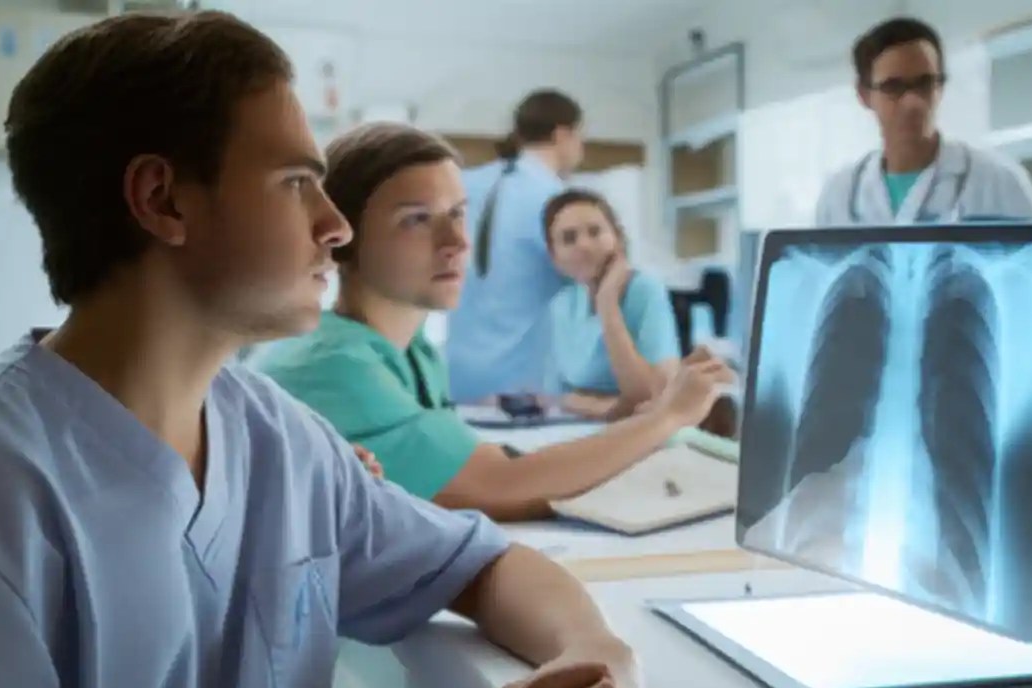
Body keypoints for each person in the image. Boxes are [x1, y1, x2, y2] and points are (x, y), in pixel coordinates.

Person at [0, 13, 657, 688]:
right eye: (295, 182)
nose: (335, 225)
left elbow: (487, 565)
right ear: (162, 200)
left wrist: (595, 653)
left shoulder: (282, 442)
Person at [253, 123, 734, 521]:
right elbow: (499, 487)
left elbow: (467, 481)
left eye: (459, 214)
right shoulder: (335, 363)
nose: (458, 241)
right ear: (342, 237)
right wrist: (670, 415)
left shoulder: (412, 350)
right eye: (417, 219)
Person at [815, 17, 1032, 226]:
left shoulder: (999, 181)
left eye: (924, 83)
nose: (912, 102)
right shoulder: (840, 195)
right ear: (864, 95)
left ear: (941, 86)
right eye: (893, 87)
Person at [445, 90, 582, 403]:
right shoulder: (554, 200)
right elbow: (589, 278)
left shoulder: (466, 184)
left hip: (457, 375)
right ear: (563, 135)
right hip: (522, 384)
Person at [542, 189, 681, 420]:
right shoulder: (562, 306)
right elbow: (557, 397)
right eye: (569, 238)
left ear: (618, 238)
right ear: (554, 257)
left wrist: (608, 304)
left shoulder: (645, 291)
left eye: (595, 232)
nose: (584, 245)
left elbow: (653, 397)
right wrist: (611, 407)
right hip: (582, 431)